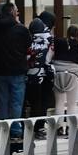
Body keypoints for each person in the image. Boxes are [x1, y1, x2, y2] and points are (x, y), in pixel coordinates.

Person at [0, 3, 32, 144]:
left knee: (2, 100)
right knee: (16, 102)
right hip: (17, 70)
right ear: (13, 12)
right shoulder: (20, 29)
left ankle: (3, 129)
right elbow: (28, 45)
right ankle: (15, 131)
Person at [26, 11, 56, 140]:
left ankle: (29, 126)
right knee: (43, 102)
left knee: (33, 102)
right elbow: (50, 57)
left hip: (30, 74)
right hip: (45, 75)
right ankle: (39, 127)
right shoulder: (50, 38)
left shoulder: (28, 37)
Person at [52, 23, 78, 135]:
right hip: (73, 75)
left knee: (59, 102)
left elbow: (52, 54)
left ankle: (59, 128)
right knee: (72, 104)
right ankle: (71, 128)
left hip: (58, 73)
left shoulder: (58, 42)